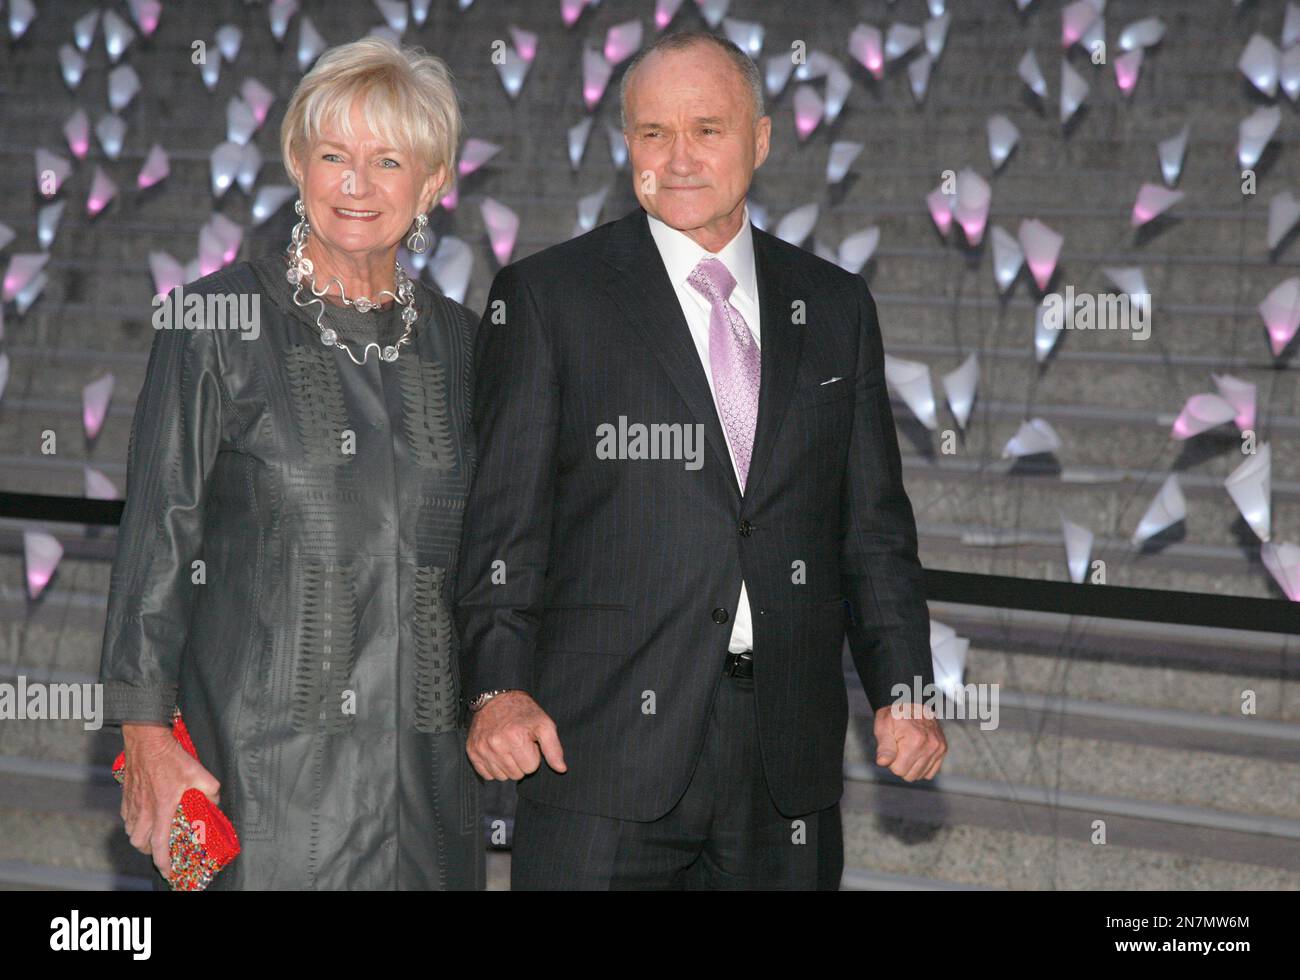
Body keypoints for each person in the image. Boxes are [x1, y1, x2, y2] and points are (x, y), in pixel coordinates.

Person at [455, 29, 947, 890]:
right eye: (652, 133)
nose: (677, 157)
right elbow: (504, 523)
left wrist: (904, 687)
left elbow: (872, 529)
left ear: (759, 138)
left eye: (707, 129)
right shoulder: (548, 298)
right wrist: (496, 688)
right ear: (626, 146)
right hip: (597, 755)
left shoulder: (835, 306)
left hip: (784, 760)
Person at [99, 37, 483, 890]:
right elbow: (156, 535)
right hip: (260, 773)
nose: (356, 183)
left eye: (388, 160)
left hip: (426, 787)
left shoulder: (465, 346)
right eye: (334, 155)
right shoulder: (215, 321)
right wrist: (144, 734)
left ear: (432, 185)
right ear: (298, 164)